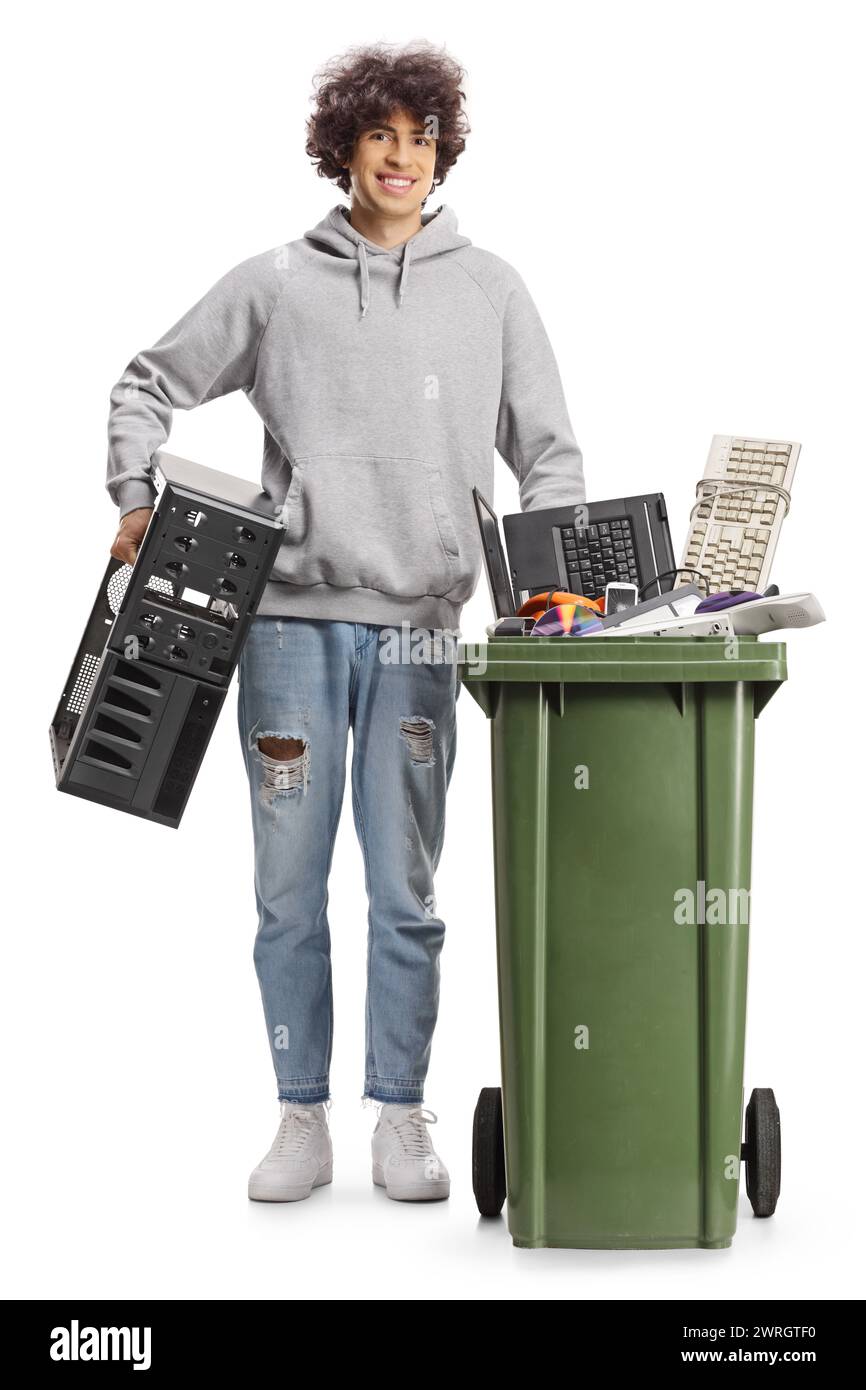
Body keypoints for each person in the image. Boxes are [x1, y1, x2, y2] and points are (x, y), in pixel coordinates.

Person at [105, 41, 585, 1205]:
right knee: (287, 886)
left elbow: (551, 457)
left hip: (423, 631)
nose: (402, 158)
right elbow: (146, 382)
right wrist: (134, 495)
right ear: (345, 149)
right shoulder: (277, 283)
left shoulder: (491, 289)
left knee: (404, 891)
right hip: (284, 633)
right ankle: (299, 1115)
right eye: (382, 135)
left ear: (442, 151)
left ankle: (401, 1112)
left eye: (422, 137)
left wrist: (556, 582)